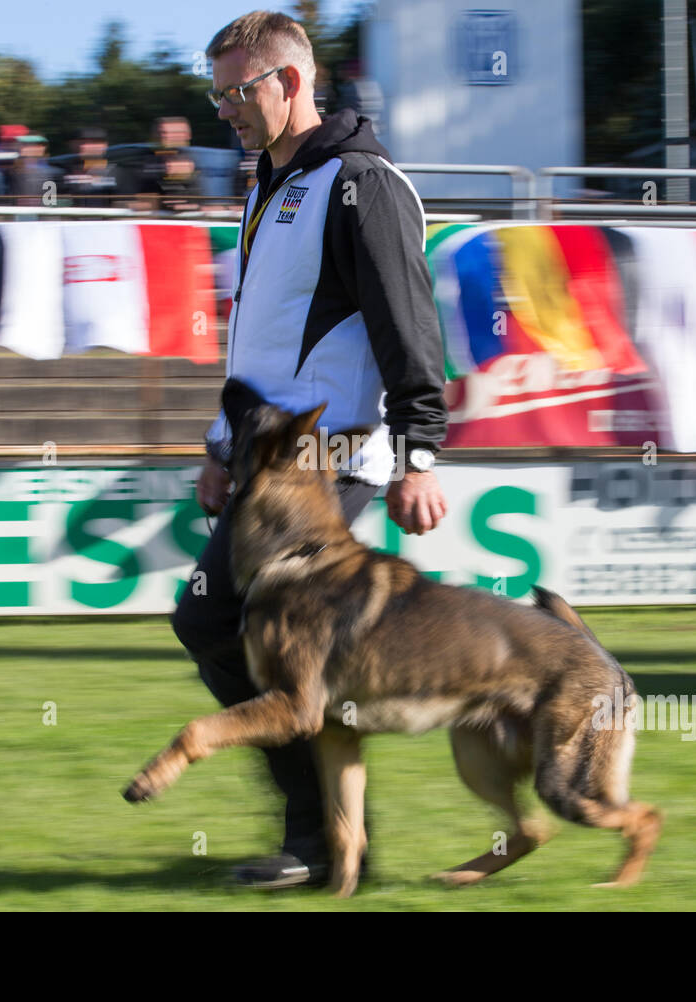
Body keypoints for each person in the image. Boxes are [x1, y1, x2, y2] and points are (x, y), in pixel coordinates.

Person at [170, 10, 449, 890]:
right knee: (224, 627)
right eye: (216, 96)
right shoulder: (262, 186)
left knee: (218, 622)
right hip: (265, 466)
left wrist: (420, 455)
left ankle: (322, 839)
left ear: (291, 81)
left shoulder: (364, 184)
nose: (226, 111)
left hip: (332, 465)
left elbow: (410, 325)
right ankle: (327, 832)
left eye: (238, 92)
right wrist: (221, 447)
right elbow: (260, 342)